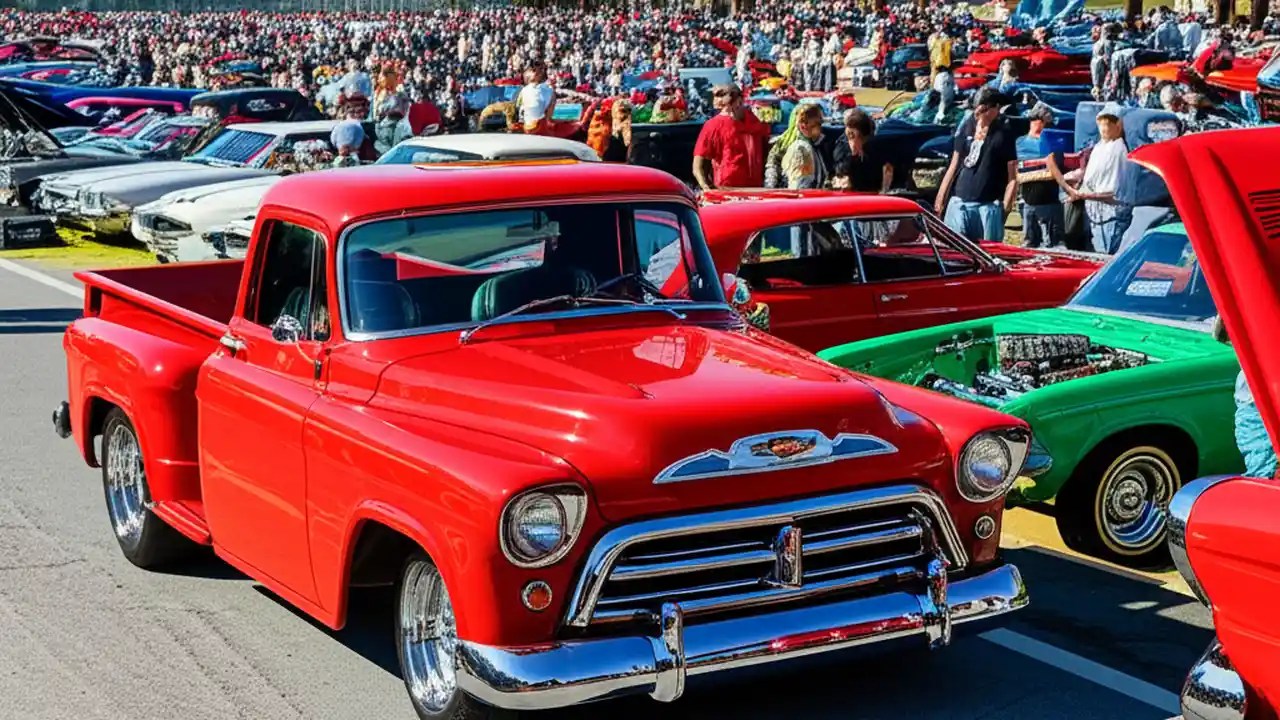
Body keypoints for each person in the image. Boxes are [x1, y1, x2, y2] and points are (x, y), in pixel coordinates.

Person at [934, 88, 1018, 243]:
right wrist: (940, 199)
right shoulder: (966, 127)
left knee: (987, 253)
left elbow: (1013, 176)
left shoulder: (1003, 134)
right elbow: (954, 165)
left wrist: (1005, 208)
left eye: (986, 109)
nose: (979, 113)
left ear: (995, 109)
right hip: (960, 203)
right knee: (956, 250)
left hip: (988, 206)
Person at [1214, 317, 1277, 478]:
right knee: (1265, 473)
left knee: (1264, 472)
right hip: (1256, 406)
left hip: (1254, 404)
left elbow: (1219, 334)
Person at [1069, 103, 1128, 254]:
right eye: (1100, 123)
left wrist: (1085, 195)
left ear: (1118, 126)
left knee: (1105, 256)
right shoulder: (1099, 147)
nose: (1103, 128)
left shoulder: (1118, 149)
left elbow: (1114, 192)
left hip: (1110, 217)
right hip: (1093, 215)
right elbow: (1091, 175)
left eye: (1107, 124)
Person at [692, 83, 771, 190]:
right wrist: (706, 188)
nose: (728, 112)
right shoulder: (713, 126)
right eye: (723, 108)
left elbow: (766, 151)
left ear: (740, 101)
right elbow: (698, 165)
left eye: (730, 106)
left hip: (755, 189)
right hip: (727, 190)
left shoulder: (754, 121)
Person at [1016, 102, 1065, 248]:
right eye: (1047, 123)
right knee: (1029, 245)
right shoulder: (1020, 143)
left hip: (1049, 202)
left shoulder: (1054, 141)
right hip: (1027, 203)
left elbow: (1059, 167)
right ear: (1039, 121)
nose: (1049, 127)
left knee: (1052, 245)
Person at [833, 108, 892, 193]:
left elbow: (887, 168)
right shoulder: (842, 144)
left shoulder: (875, 145)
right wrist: (853, 154)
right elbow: (840, 171)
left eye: (852, 133)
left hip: (872, 192)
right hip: (849, 193)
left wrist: (883, 191)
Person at [776, 103, 828, 189]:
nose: (805, 126)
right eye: (803, 123)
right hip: (798, 191)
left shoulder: (824, 140)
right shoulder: (794, 144)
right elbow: (773, 163)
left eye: (813, 125)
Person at [518, 62, 555, 135]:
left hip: (538, 126)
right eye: (532, 70)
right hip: (530, 126)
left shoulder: (548, 90)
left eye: (534, 71)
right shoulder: (524, 90)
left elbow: (549, 112)